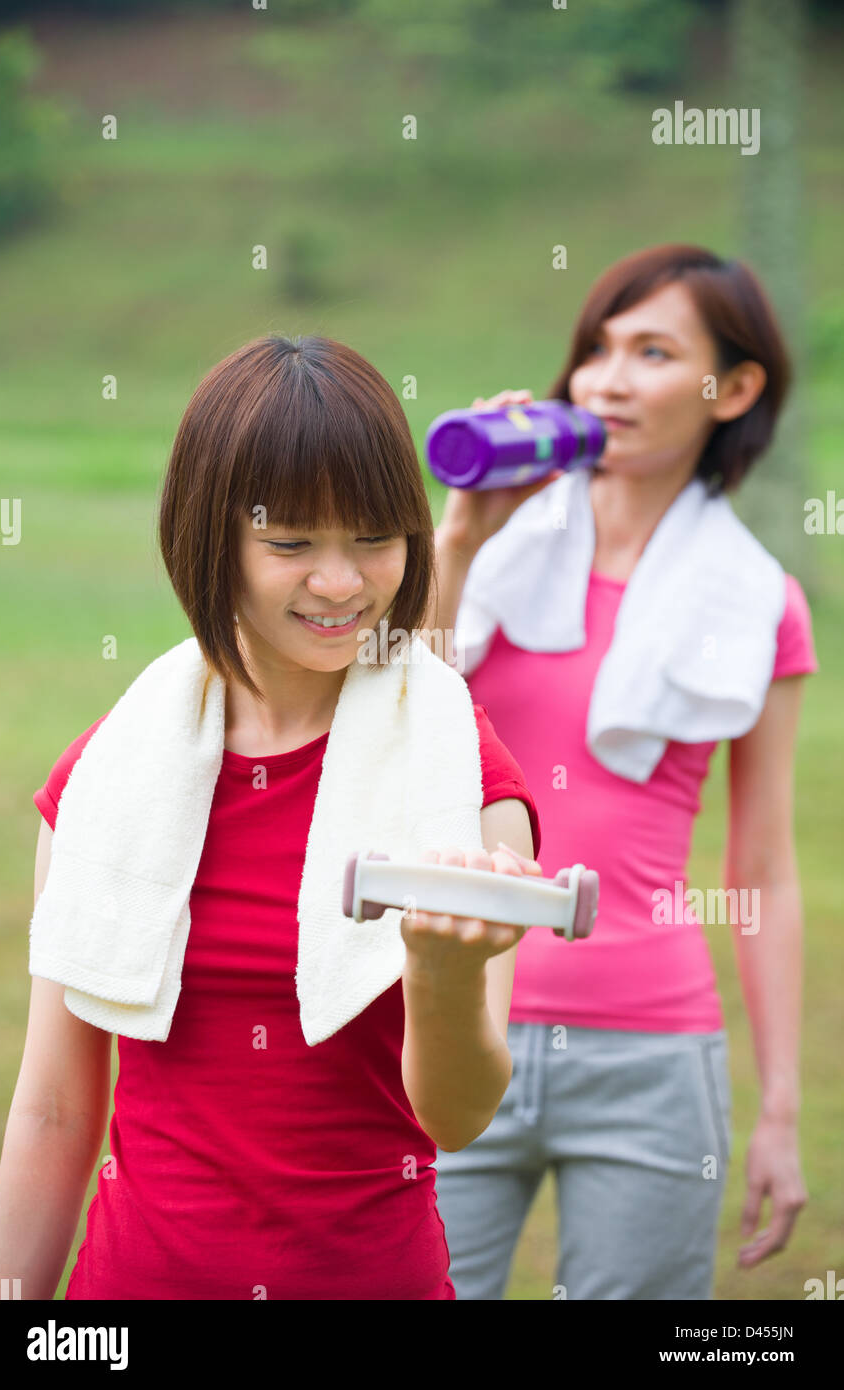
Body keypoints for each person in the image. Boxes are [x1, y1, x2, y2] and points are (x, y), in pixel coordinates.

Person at [0, 334, 546, 1302]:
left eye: (374, 536)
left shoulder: (466, 773)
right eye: (291, 543)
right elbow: (53, 1113)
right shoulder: (104, 776)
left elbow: (456, 1118)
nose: (342, 583)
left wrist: (445, 976)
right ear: (211, 535)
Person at [429, 244, 817, 1300]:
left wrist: (778, 1109)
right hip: (451, 1019)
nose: (606, 378)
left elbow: (765, 869)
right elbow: (389, 715)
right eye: (597, 348)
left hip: (654, 1057)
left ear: (732, 390)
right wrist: (458, 540)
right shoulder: (489, 552)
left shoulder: (760, 601)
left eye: (653, 351)